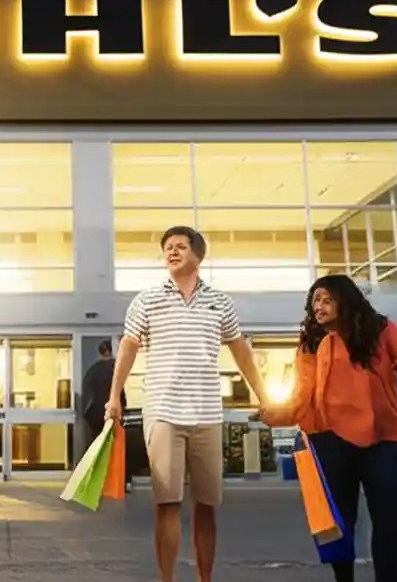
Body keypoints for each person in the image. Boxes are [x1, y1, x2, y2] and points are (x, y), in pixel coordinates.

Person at [106, 225, 267, 582]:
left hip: (208, 414)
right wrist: (114, 395)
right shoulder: (146, 300)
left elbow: (240, 351)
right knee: (167, 503)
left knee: (207, 506)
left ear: (198, 255)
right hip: (163, 413)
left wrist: (263, 395)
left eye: (180, 246)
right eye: (167, 248)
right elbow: (129, 347)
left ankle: (204, 579)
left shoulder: (220, 302)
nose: (172, 252)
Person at [262, 274, 397, 582]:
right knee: (339, 522)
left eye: (327, 299)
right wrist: (278, 413)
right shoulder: (311, 343)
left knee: (387, 522)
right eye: (315, 300)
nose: (319, 306)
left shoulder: (381, 329)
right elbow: (303, 393)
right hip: (329, 440)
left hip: (384, 439)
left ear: (346, 299)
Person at [82, 339, 131, 490]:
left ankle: (93, 481)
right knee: (116, 448)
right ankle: (121, 481)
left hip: (95, 415)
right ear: (111, 351)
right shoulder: (115, 368)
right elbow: (120, 393)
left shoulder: (92, 370)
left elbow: (86, 394)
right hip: (112, 413)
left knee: (96, 448)